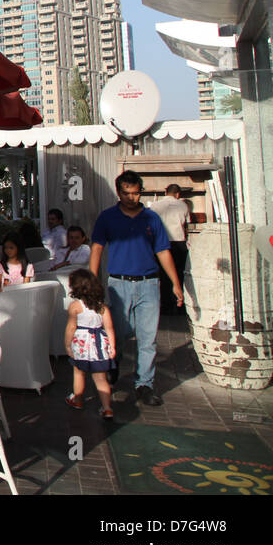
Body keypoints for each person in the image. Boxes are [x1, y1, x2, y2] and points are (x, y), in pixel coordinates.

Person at [89, 171, 182, 406]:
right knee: (118, 334)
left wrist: (176, 284)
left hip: (149, 284)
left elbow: (163, 250)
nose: (131, 197)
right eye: (126, 193)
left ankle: (144, 384)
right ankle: (115, 363)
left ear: (141, 191)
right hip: (118, 285)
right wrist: (92, 281)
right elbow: (97, 248)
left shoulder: (152, 218)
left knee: (148, 338)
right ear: (118, 192)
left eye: (136, 192)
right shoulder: (107, 217)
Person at [64, 270, 117, 420]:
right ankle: (107, 408)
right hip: (99, 345)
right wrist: (112, 346)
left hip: (81, 344)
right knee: (101, 378)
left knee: (79, 372)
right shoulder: (103, 308)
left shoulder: (75, 306)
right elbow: (109, 328)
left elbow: (71, 327)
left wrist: (67, 345)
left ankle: (78, 400)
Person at [149, 184, 190, 314]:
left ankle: (164, 305)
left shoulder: (155, 205)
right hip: (178, 243)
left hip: (160, 243)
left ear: (165, 192)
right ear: (178, 194)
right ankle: (179, 304)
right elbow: (186, 223)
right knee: (178, 274)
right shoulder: (183, 205)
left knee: (161, 274)